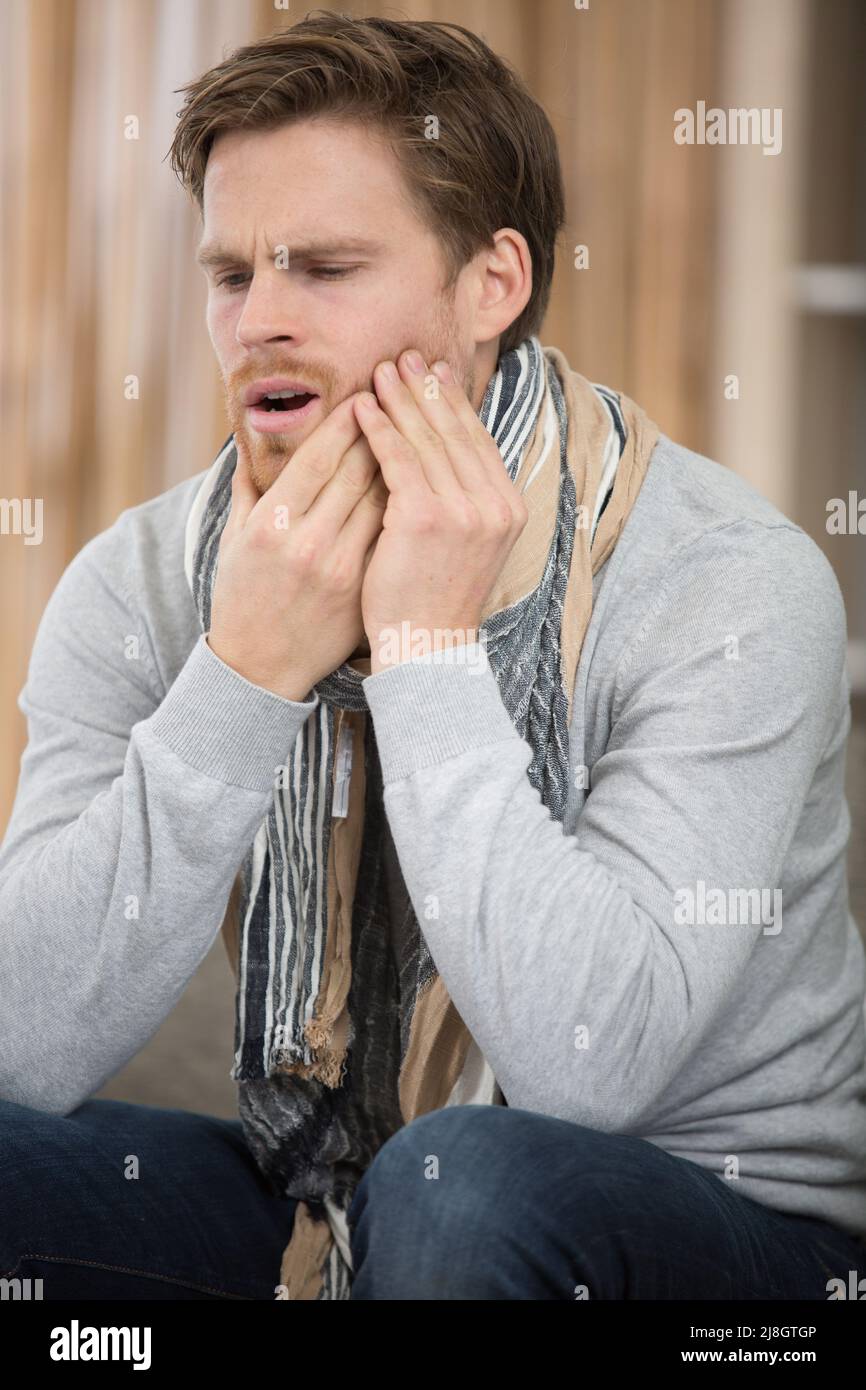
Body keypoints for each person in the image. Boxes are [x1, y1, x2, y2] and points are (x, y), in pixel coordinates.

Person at [0, 12, 864, 1302]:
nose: (259, 325)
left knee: (469, 1185)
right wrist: (244, 675)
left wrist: (424, 646)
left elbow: (591, 1069)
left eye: (326, 269)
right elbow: (24, 1048)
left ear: (492, 286)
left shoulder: (727, 578)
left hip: (719, 1236)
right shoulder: (143, 581)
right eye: (233, 275)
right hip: (328, 1209)